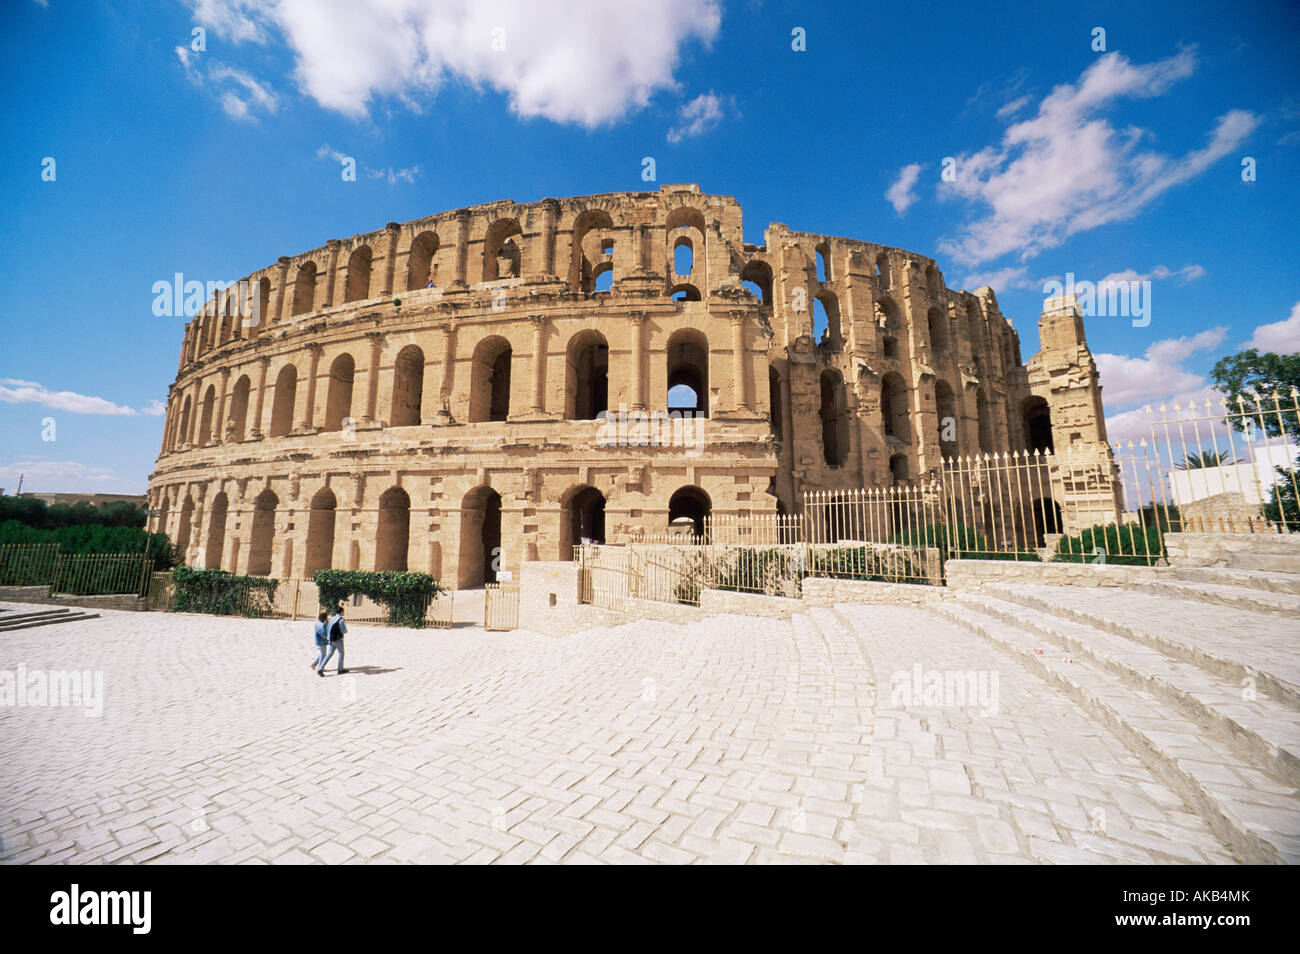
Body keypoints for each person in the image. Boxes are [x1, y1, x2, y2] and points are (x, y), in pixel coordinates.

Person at [318, 604, 348, 676]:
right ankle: (340, 669)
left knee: (329, 654)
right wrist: (346, 631)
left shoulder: (332, 619)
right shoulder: (341, 620)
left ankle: (320, 669)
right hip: (338, 639)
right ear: (341, 612)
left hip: (330, 639)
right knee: (341, 653)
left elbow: (328, 628)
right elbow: (343, 630)